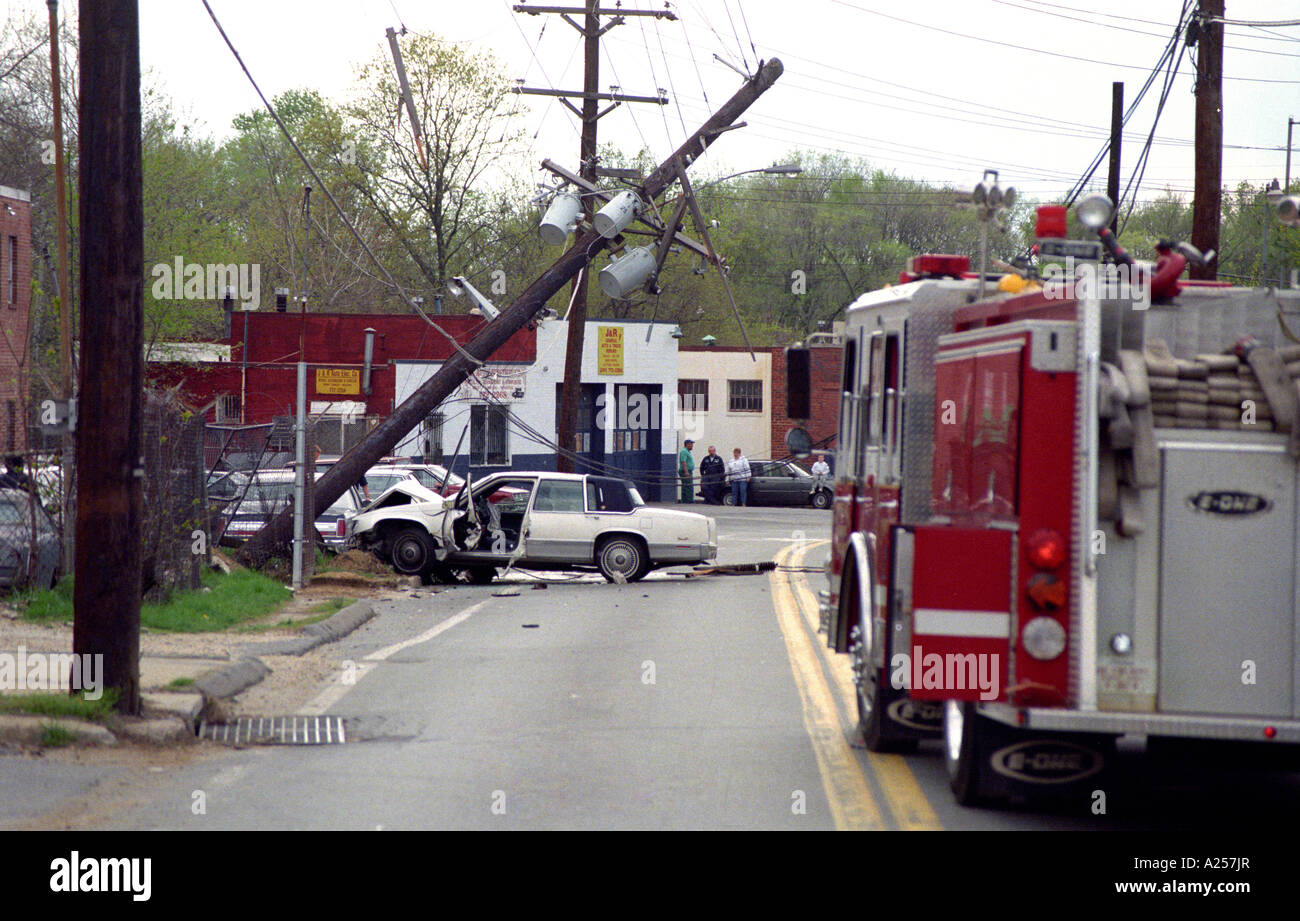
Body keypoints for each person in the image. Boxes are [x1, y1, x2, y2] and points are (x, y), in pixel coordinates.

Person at [677, 439, 696, 503]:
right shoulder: (684, 451)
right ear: (687, 444)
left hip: (688, 471)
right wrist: (686, 471)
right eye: (691, 444)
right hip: (685, 471)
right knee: (689, 486)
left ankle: (684, 500)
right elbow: (683, 461)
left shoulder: (687, 451)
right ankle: (689, 500)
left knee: (685, 486)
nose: (692, 446)